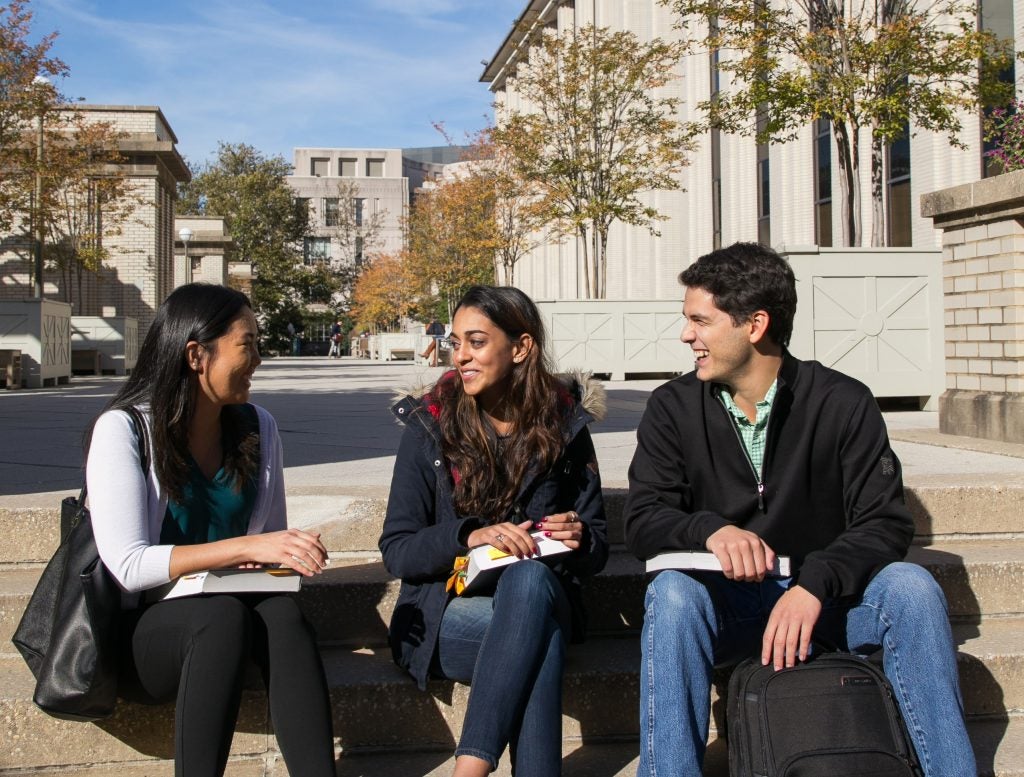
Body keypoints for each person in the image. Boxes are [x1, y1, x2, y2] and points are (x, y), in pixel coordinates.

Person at [624, 243, 972, 777]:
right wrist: (711, 530)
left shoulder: (842, 401)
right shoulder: (672, 407)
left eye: (700, 320)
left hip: (828, 605)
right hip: (730, 608)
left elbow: (884, 521)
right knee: (672, 594)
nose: (686, 335)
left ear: (755, 324)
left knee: (911, 587)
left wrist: (816, 584)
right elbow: (644, 517)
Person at [86, 283, 335, 777]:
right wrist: (243, 546)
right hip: (145, 635)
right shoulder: (123, 429)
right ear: (197, 355)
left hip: (230, 620)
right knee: (218, 616)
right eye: (248, 345)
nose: (259, 359)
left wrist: (285, 553)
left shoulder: (258, 426)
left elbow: (269, 541)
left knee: (283, 615)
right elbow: (129, 565)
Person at [379, 285, 608, 777]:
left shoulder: (564, 424)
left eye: (476, 342)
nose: (460, 355)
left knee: (529, 587)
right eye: (456, 342)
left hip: (541, 595)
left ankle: (470, 768)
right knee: (537, 638)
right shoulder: (430, 425)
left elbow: (598, 547)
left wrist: (579, 537)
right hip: (447, 612)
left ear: (521, 348)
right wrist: (469, 536)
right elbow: (398, 551)